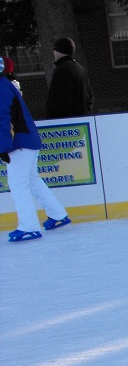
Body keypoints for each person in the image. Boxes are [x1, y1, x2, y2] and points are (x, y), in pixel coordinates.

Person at [2, 56, 72, 241]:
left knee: (18, 184)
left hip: (19, 143)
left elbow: (3, 117)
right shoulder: (6, 84)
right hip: (27, 140)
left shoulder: (2, 86)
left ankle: (28, 227)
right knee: (32, 180)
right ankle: (58, 215)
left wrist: (3, 147)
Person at [46, 36, 93, 119]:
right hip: (83, 120)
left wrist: (52, 117)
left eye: (55, 50)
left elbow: (63, 99)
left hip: (66, 121)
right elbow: (90, 97)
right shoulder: (81, 69)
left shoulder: (62, 70)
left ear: (59, 51)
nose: (53, 53)